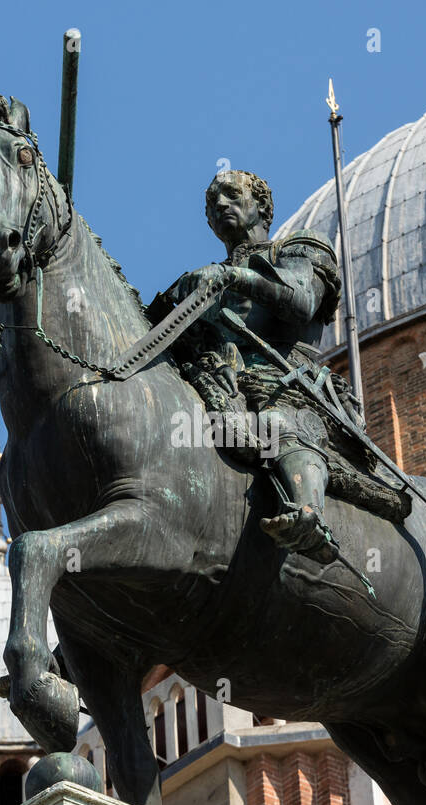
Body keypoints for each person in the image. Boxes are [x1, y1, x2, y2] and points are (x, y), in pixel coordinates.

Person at [151, 169, 350, 564]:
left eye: (230, 195)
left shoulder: (301, 248)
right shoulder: (196, 281)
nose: (220, 205)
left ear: (261, 204)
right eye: (211, 204)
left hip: (285, 378)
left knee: (276, 422)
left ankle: (310, 516)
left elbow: (301, 300)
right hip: (219, 378)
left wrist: (231, 277)